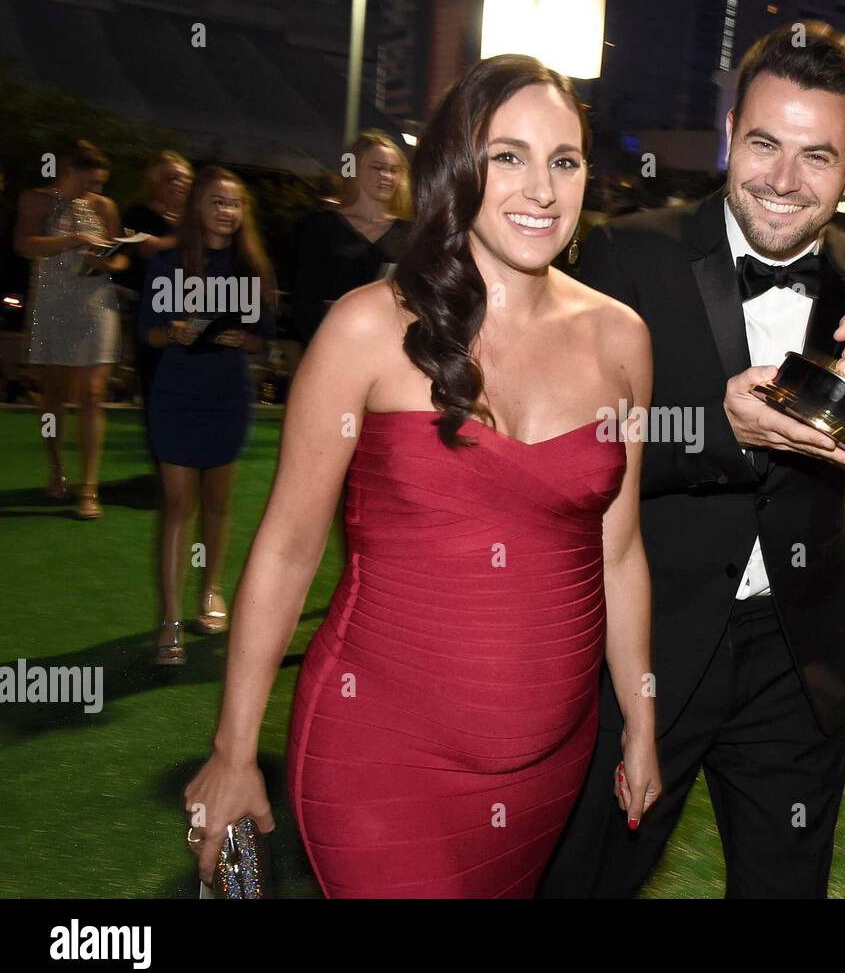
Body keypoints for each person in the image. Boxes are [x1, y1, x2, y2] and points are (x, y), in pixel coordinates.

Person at [183, 54, 661, 898]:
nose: (541, 190)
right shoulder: (366, 329)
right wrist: (231, 749)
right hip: (379, 758)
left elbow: (619, 554)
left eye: (566, 160)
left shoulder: (622, 340)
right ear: (454, 166)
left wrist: (642, 716)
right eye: (507, 155)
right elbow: (289, 549)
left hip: (551, 768)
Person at [540, 22, 845, 899]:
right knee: (590, 880)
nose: (782, 179)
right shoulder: (627, 253)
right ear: (731, 133)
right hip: (645, 645)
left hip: (796, 665)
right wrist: (715, 429)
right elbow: (564, 460)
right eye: (764, 143)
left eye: (817, 156)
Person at [137, 167, 277, 665]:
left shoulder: (251, 267)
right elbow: (147, 333)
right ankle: (170, 619)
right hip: (176, 392)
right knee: (178, 505)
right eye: (217, 201)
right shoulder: (169, 262)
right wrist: (170, 332)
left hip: (226, 395)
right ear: (198, 206)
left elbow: (265, 340)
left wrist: (244, 340)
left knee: (217, 503)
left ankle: (209, 590)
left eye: (235, 204)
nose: (227, 212)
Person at [14, 139, 127, 519]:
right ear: (69, 171)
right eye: (89, 182)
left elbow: (120, 254)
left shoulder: (105, 207)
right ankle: (57, 469)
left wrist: (110, 262)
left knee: (94, 393)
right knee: (55, 396)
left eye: (100, 184)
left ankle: (89, 488)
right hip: (53, 303)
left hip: (95, 302)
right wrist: (75, 240)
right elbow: (25, 244)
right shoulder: (36, 199)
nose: (94, 190)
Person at [291, 129, 412, 345]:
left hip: (390, 349)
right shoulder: (321, 227)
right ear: (354, 169)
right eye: (377, 168)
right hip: (331, 346)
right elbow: (303, 301)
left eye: (394, 170)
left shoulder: (410, 233)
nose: (386, 176)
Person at [118, 151, 193, 438]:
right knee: (155, 384)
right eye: (172, 178)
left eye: (185, 178)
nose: (180, 184)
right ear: (155, 181)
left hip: (194, 305)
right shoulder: (138, 214)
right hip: (154, 310)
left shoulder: (197, 217)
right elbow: (143, 249)